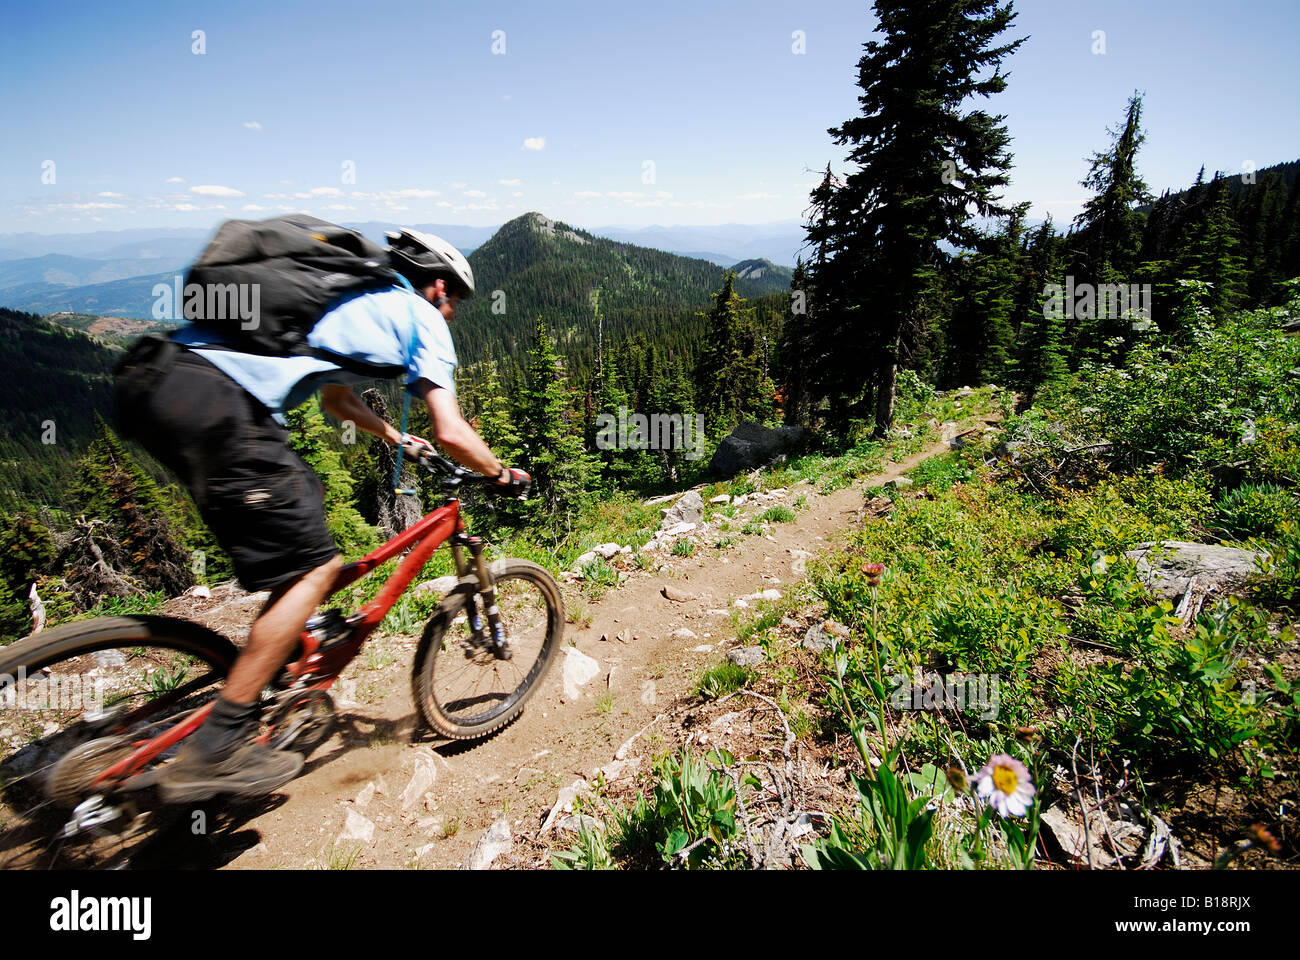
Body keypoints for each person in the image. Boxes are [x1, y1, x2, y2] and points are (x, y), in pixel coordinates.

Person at [115, 228, 528, 802]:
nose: (453, 311)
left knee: (297, 542)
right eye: (455, 297)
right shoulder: (420, 315)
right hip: (219, 405)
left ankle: (277, 659)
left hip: (160, 380)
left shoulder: (351, 297)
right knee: (316, 567)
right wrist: (500, 473)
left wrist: (398, 439)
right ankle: (215, 750)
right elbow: (453, 430)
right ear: (438, 285)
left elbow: (337, 401)